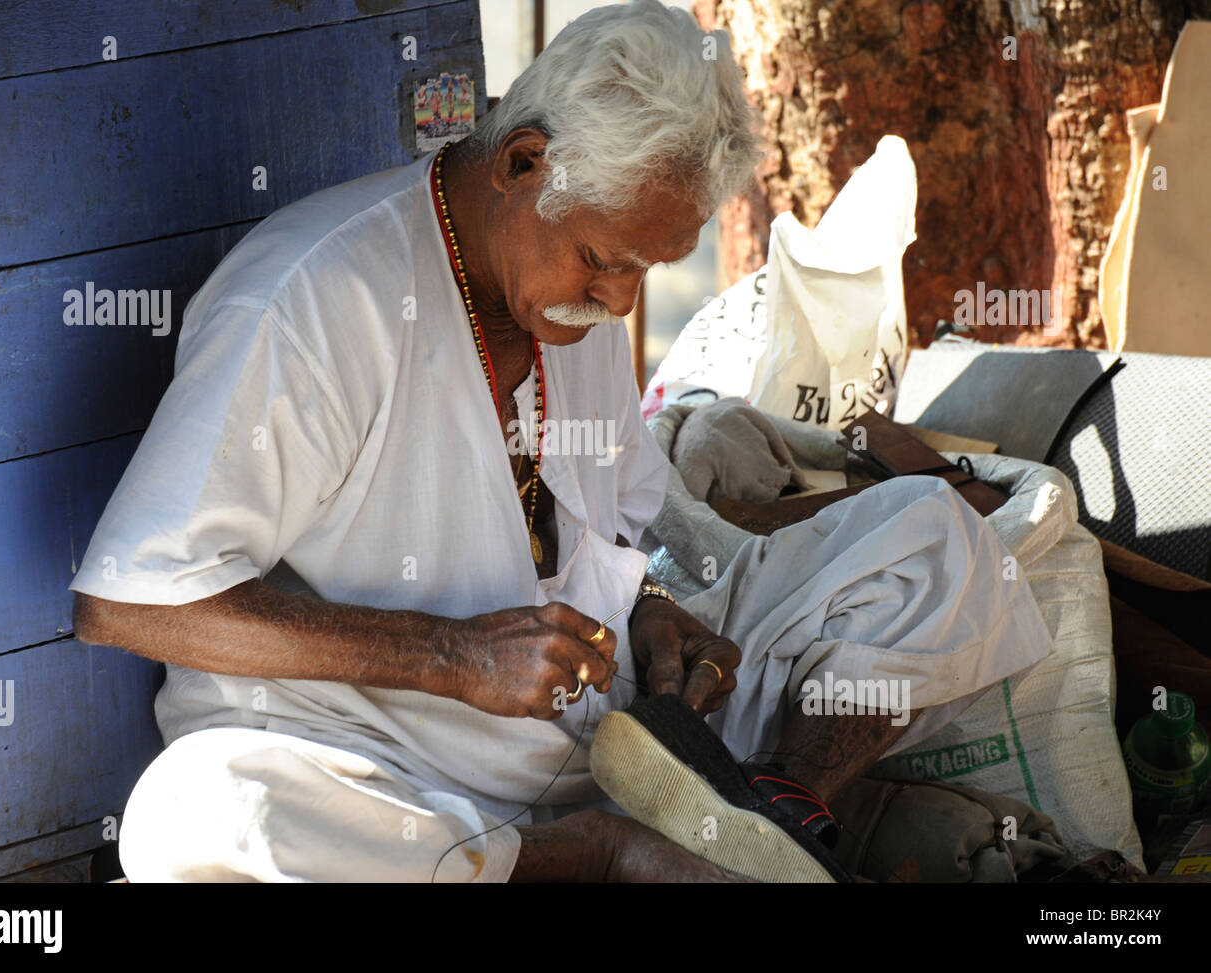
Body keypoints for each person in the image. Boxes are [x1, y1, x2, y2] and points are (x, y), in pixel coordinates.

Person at [70, 0, 1052, 882]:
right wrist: (448, 655)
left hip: (626, 742)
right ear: (521, 160)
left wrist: (657, 614)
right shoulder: (315, 299)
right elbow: (128, 599)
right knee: (197, 809)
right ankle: (600, 858)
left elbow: (617, 531)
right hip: (400, 774)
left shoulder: (567, 301)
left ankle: (770, 817)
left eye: (646, 269)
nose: (621, 302)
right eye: (601, 259)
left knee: (934, 537)